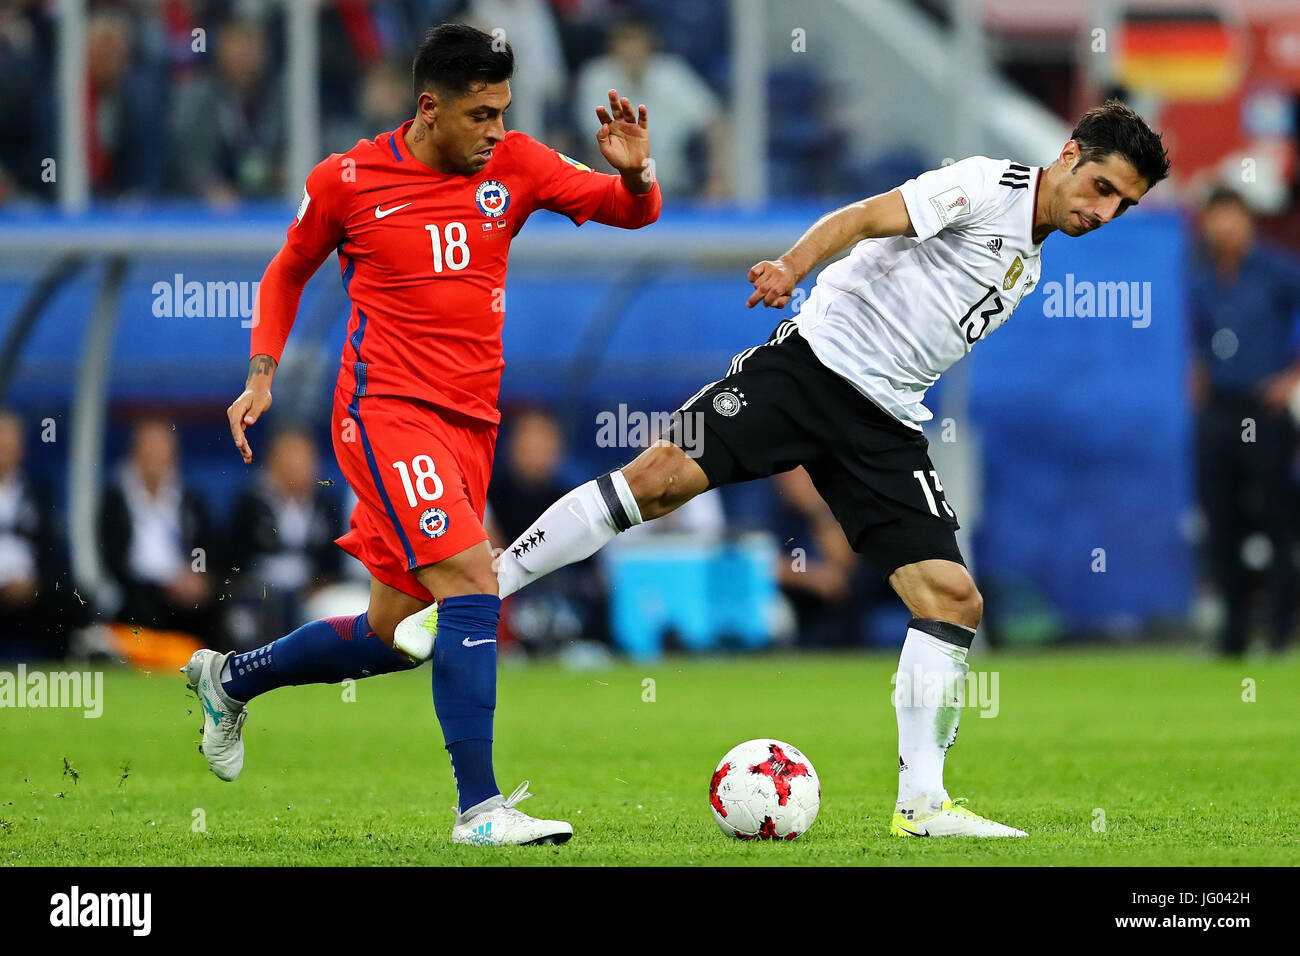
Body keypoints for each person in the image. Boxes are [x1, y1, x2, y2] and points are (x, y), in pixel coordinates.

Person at [494, 99, 1170, 838]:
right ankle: (480, 590)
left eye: (1124, 207)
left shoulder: (1029, 261)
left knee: (952, 599)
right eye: (1104, 188)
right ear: (1070, 154)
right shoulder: (987, 186)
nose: (1105, 212)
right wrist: (791, 265)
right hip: (808, 369)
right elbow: (862, 217)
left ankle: (923, 806)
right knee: (655, 479)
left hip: (882, 423)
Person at [190, 23, 660, 847]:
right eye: (481, 114)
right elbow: (287, 268)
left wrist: (637, 174)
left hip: (470, 426)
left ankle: (230, 680)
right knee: (474, 584)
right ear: (429, 106)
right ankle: (478, 811)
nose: (496, 130)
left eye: (504, 111)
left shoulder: (515, 164)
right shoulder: (347, 179)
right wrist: (262, 371)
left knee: (395, 637)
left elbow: (629, 214)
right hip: (384, 414)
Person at [1188, 186, 1300, 656]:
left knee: (1277, 522)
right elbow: (1201, 341)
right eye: (1215, 217)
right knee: (1221, 523)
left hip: (1266, 409)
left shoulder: (1278, 271)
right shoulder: (1203, 281)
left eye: (1231, 216)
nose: (1224, 227)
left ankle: (1279, 632)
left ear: (1247, 220)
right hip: (1220, 410)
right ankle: (1232, 636)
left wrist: (1291, 377)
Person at [572, 16, 729, 198]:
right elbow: (595, 144)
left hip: (675, 191)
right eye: (625, 41)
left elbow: (715, 123)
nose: (631, 50)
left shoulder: (672, 74)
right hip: (616, 192)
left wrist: (717, 180)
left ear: (650, 43)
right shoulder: (596, 77)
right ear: (612, 45)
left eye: (636, 41)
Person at [100, 418, 217, 641]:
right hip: (137, 589)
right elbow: (111, 558)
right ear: (135, 454)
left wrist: (196, 576)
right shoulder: (115, 500)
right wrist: (163, 583)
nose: (157, 459)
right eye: (150, 451)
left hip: (184, 586)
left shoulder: (190, 499)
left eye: (163, 452)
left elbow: (205, 547)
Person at [225, 427, 342, 649]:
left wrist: (318, 584)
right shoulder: (251, 501)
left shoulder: (324, 504)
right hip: (260, 590)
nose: (299, 466)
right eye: (292, 457)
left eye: (305, 458)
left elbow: (332, 558)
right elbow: (234, 558)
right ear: (273, 460)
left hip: (310, 591)